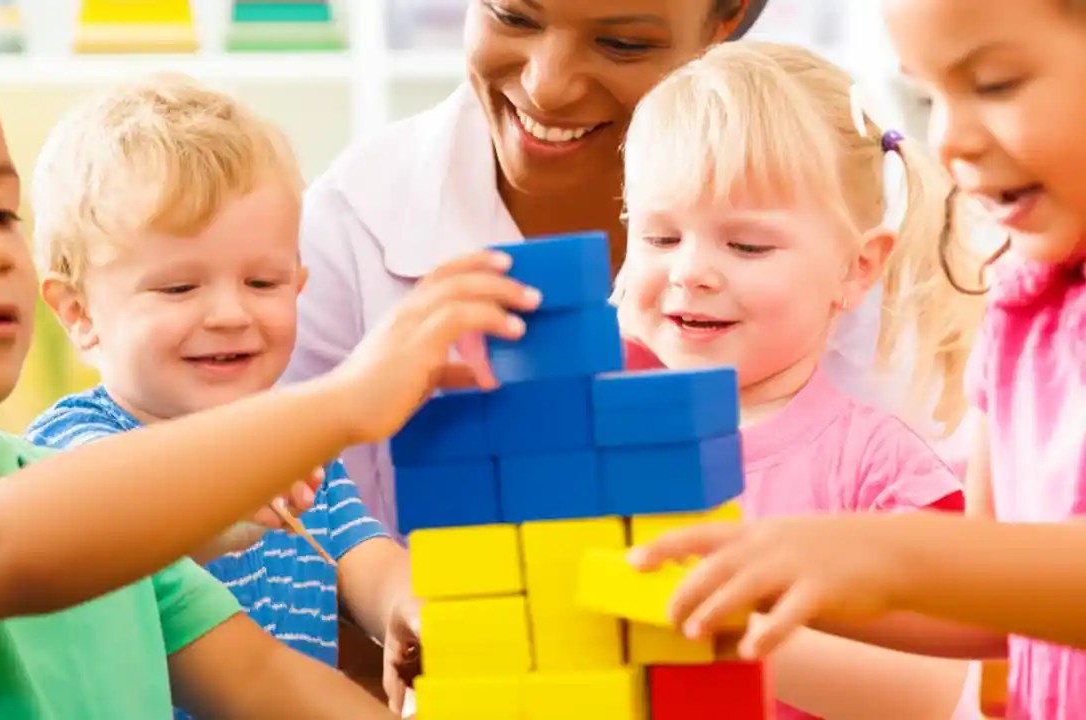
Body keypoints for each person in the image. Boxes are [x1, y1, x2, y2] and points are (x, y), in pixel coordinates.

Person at [0, 2, 536, 717]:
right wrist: (342, 402)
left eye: (0, 211)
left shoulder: (66, 503)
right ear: (78, 312)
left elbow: (259, 680)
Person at [281, 0, 963, 538]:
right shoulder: (344, 226)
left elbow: (937, 668)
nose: (547, 88)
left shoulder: (875, 448)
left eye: (623, 42)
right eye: (512, 15)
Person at [627, 1, 1086, 718]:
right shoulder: (1022, 314)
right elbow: (993, 602)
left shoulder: (869, 459)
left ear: (857, 267)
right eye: (930, 96)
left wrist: (875, 559)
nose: (952, 138)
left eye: (994, 84)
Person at [24, 74, 420, 713]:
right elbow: (112, 533)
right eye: (179, 289)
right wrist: (214, 509)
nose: (231, 314)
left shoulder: (297, 438)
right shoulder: (72, 446)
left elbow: (364, 556)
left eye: (263, 282)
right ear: (78, 313)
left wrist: (411, 605)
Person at [613, 40, 975, 719]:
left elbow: (924, 695)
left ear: (856, 269)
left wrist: (714, 632)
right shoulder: (592, 438)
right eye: (660, 238)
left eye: (746, 245)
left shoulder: (882, 471)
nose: (690, 271)